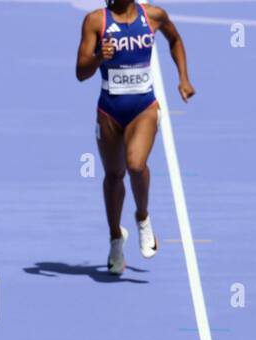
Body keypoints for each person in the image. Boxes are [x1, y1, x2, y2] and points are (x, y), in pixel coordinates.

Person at [76, 1, 194, 275]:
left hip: (144, 108)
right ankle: (116, 238)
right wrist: (98, 58)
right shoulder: (95, 21)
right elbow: (81, 73)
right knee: (114, 176)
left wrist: (184, 79)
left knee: (136, 165)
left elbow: (175, 39)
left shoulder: (153, 15)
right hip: (109, 111)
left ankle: (142, 217)